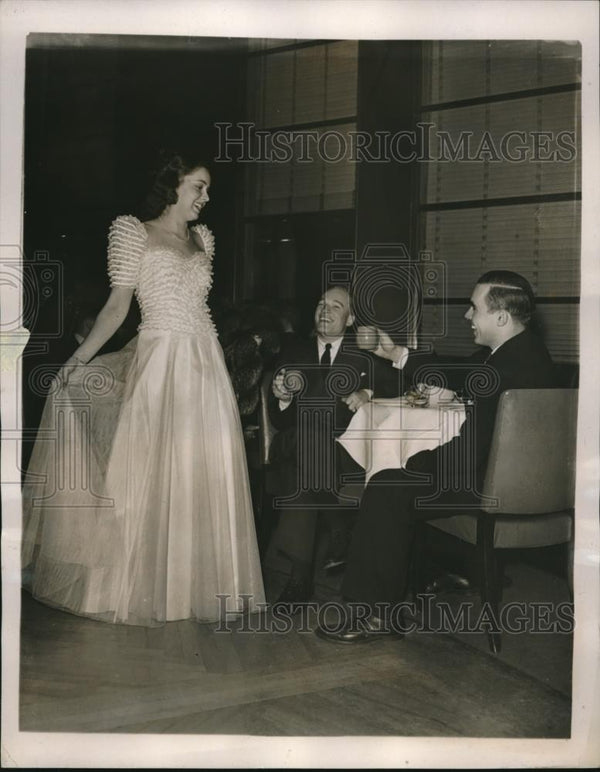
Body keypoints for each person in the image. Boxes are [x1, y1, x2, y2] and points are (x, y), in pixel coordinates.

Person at [22, 150, 265, 626]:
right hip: (160, 361)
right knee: (147, 470)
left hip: (205, 360)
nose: (206, 197)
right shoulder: (134, 232)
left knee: (202, 471)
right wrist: (76, 360)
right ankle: (132, 586)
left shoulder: (204, 239)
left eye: (208, 188)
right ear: (173, 185)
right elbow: (116, 310)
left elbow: (200, 305)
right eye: (199, 186)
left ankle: (196, 587)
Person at [315, 270, 557, 643]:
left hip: (487, 485)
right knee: (398, 483)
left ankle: (376, 615)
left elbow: (466, 456)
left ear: (501, 317)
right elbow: (458, 372)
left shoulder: (504, 368)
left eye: (474, 308)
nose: (467, 317)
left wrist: (416, 463)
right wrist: (396, 354)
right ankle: (405, 593)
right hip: (534, 488)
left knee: (386, 484)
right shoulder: (529, 356)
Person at [266, 286, 391, 607]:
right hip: (297, 446)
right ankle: (337, 527)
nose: (325, 310)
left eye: (336, 307)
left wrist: (367, 392)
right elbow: (279, 422)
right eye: (321, 303)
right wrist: (282, 398)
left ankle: (301, 576)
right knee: (306, 444)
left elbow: (398, 383)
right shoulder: (294, 351)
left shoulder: (365, 355)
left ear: (350, 319)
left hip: (343, 453)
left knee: (305, 463)